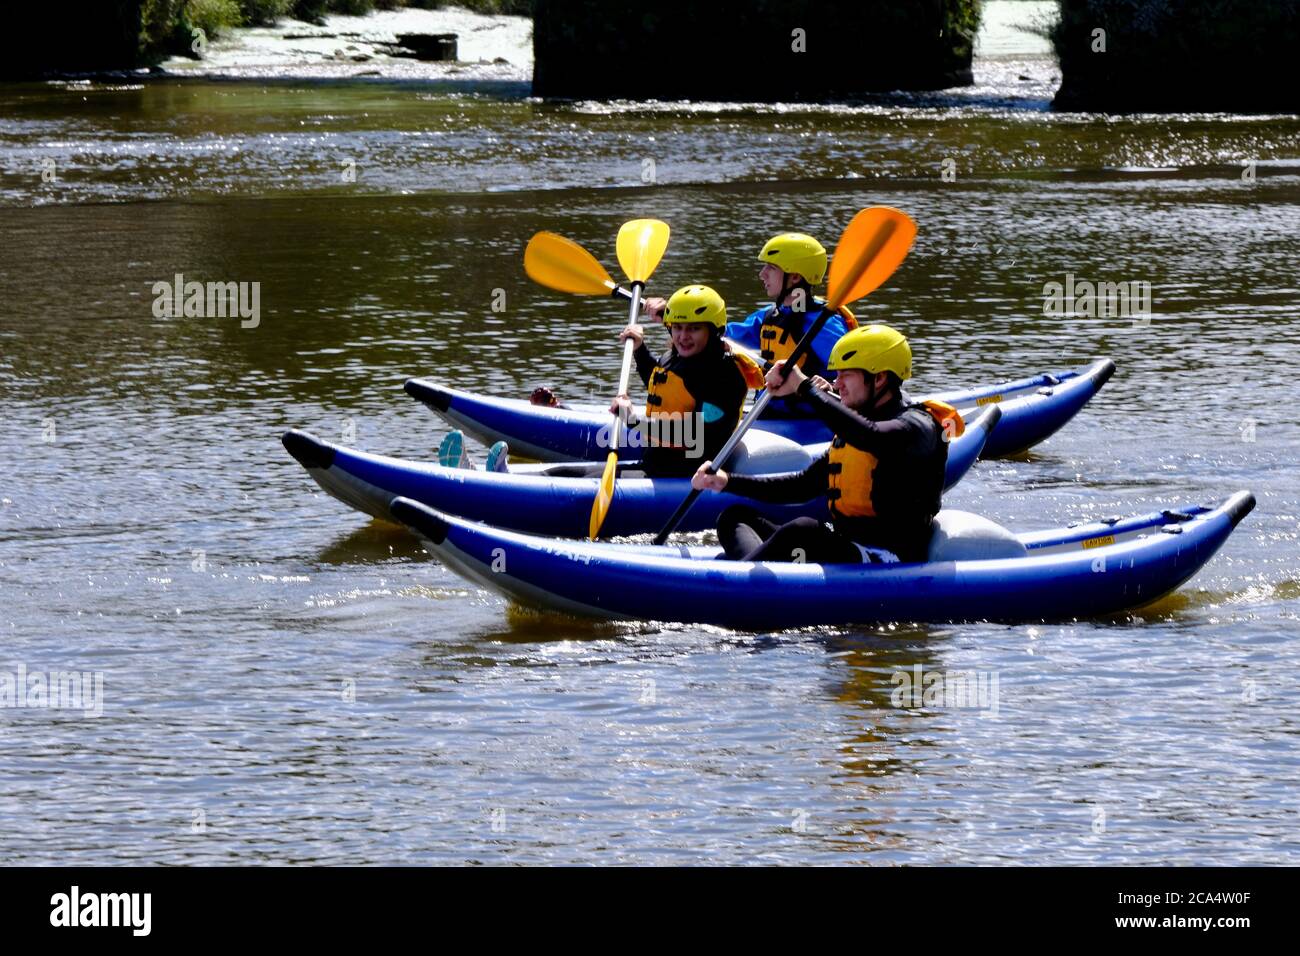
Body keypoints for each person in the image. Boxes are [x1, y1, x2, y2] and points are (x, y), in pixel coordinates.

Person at [690, 325, 961, 564]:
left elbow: (873, 436)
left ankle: (739, 581)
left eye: (846, 375)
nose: (836, 384)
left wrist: (804, 387)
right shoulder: (856, 425)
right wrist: (728, 482)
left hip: (887, 557)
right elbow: (801, 485)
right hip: (845, 545)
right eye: (837, 375)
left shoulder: (917, 426)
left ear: (879, 378)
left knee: (803, 531)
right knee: (734, 516)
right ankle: (752, 570)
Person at [473, 285, 763, 478]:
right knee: (575, 472)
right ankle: (482, 475)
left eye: (694, 329)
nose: (683, 336)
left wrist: (633, 420)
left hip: (688, 475)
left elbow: (699, 436)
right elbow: (659, 381)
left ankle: (498, 482)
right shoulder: (680, 358)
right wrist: (639, 349)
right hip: (659, 464)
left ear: (715, 331)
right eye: (678, 328)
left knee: (580, 477)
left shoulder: (723, 376)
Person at [645, 233, 854, 419]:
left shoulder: (823, 324)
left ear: (795, 277)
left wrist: (831, 385)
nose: (762, 274)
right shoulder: (769, 316)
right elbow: (716, 333)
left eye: (770, 268)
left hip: (806, 422)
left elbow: (853, 374)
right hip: (767, 415)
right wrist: (673, 315)